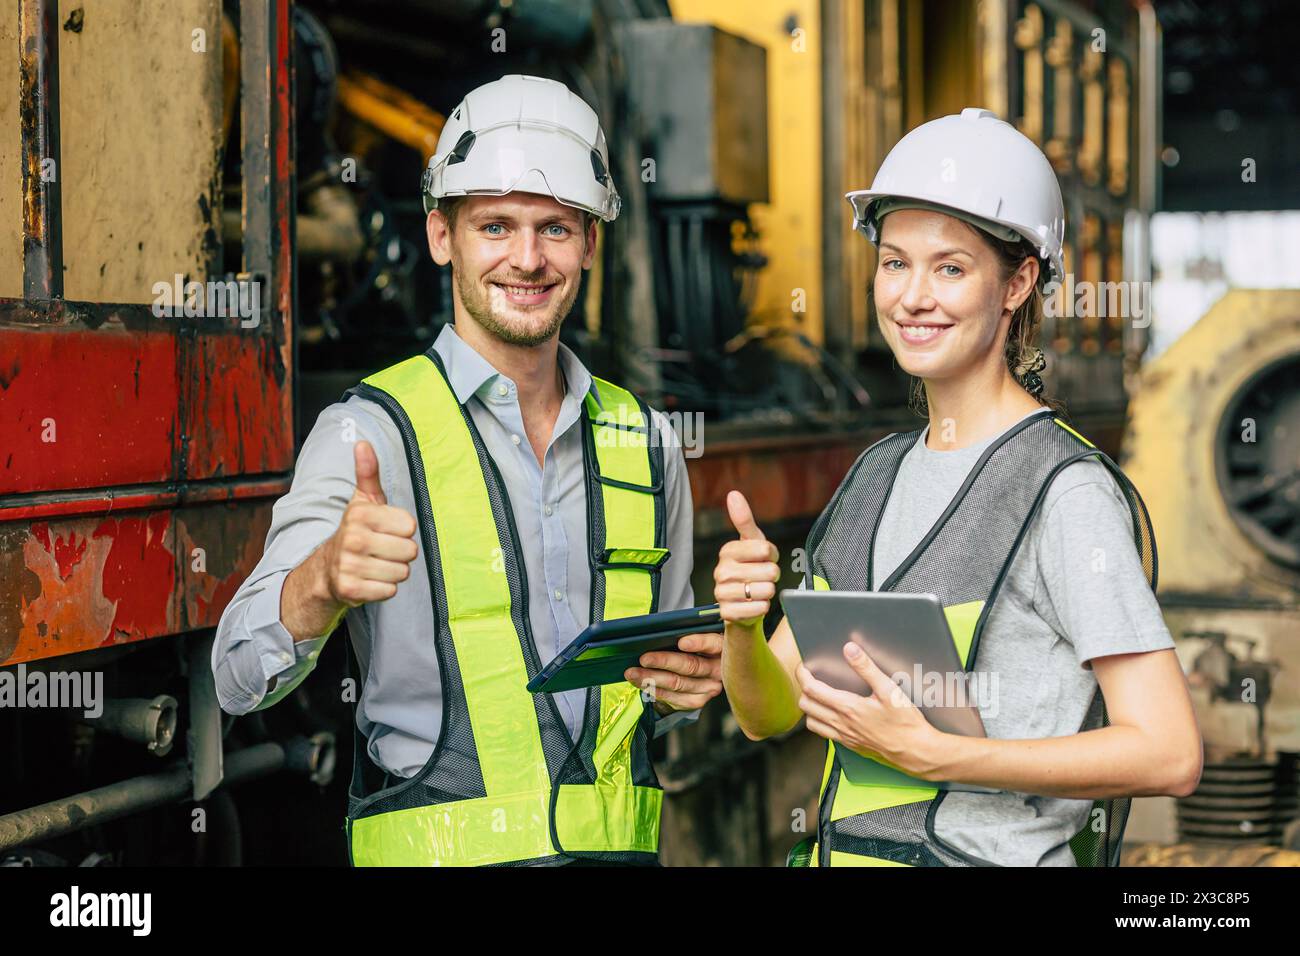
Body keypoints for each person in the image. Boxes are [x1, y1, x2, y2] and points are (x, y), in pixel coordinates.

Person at [213, 74, 722, 867]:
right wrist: (321, 580)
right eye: (495, 225)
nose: (527, 259)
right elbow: (237, 677)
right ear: (442, 237)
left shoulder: (646, 442)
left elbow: (659, 697)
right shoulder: (370, 432)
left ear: (591, 242)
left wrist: (684, 685)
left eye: (555, 228)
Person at [714, 108, 1202, 867]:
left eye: (950, 268)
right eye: (894, 262)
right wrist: (742, 627)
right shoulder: (875, 476)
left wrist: (940, 756)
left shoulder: (1062, 491)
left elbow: (1168, 752)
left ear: (1017, 284)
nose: (911, 297)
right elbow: (765, 715)